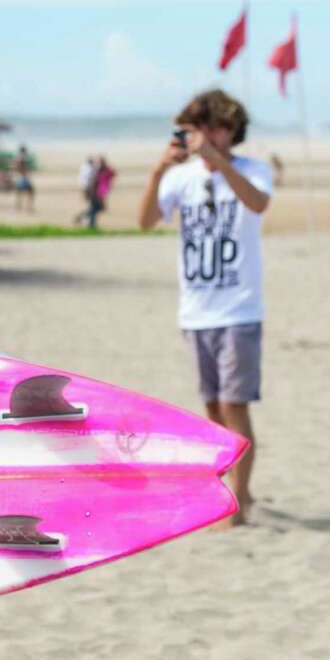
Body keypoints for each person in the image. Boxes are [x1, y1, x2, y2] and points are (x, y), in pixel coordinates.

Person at [137, 89, 272, 528]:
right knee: (212, 410)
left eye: (218, 128)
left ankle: (240, 498)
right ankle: (228, 492)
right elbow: (144, 221)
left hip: (239, 310)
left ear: (232, 132)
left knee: (236, 406)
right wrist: (161, 168)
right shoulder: (182, 178)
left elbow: (258, 203)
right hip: (196, 311)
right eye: (202, 129)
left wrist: (218, 160)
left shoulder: (251, 170)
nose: (209, 137)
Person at [12, 144, 34, 213]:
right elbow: (23, 168)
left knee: (19, 192)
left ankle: (19, 206)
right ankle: (28, 207)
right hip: (23, 177)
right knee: (30, 191)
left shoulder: (17, 158)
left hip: (19, 177)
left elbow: (14, 167)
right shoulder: (22, 158)